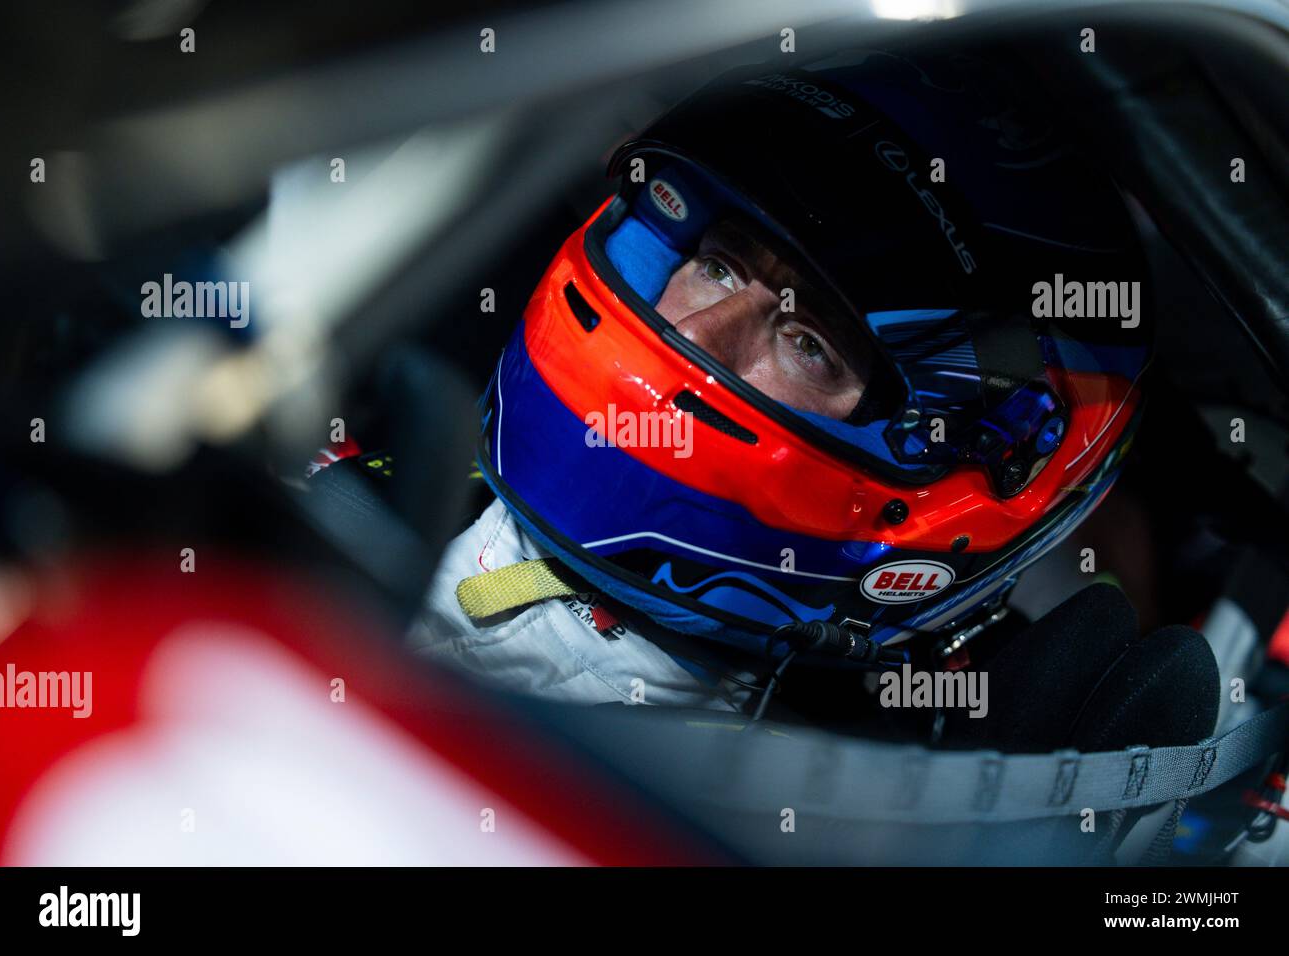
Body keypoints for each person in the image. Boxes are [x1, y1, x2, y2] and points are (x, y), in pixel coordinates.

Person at [406, 46, 1153, 719]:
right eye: (717, 266)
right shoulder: (391, 448)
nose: (698, 333)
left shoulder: (842, 795)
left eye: (809, 345)